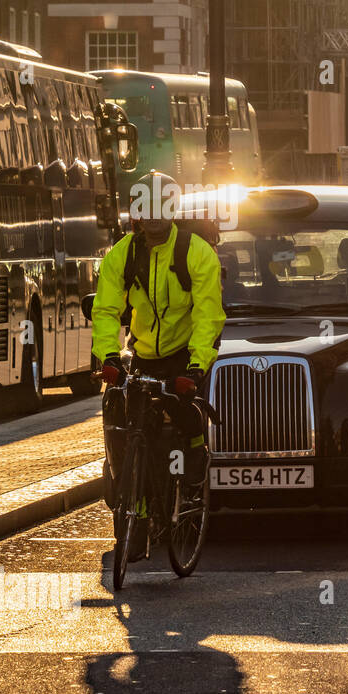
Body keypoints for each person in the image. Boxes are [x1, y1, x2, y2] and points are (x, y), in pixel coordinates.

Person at [91, 171, 226, 560]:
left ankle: (196, 457)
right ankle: (139, 514)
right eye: (144, 209)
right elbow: (105, 309)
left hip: (184, 353)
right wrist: (110, 357)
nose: (152, 217)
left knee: (184, 415)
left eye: (160, 209)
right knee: (131, 424)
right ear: (136, 212)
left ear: (172, 210)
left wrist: (197, 367)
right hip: (143, 354)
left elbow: (208, 316)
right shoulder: (124, 254)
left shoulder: (195, 252)